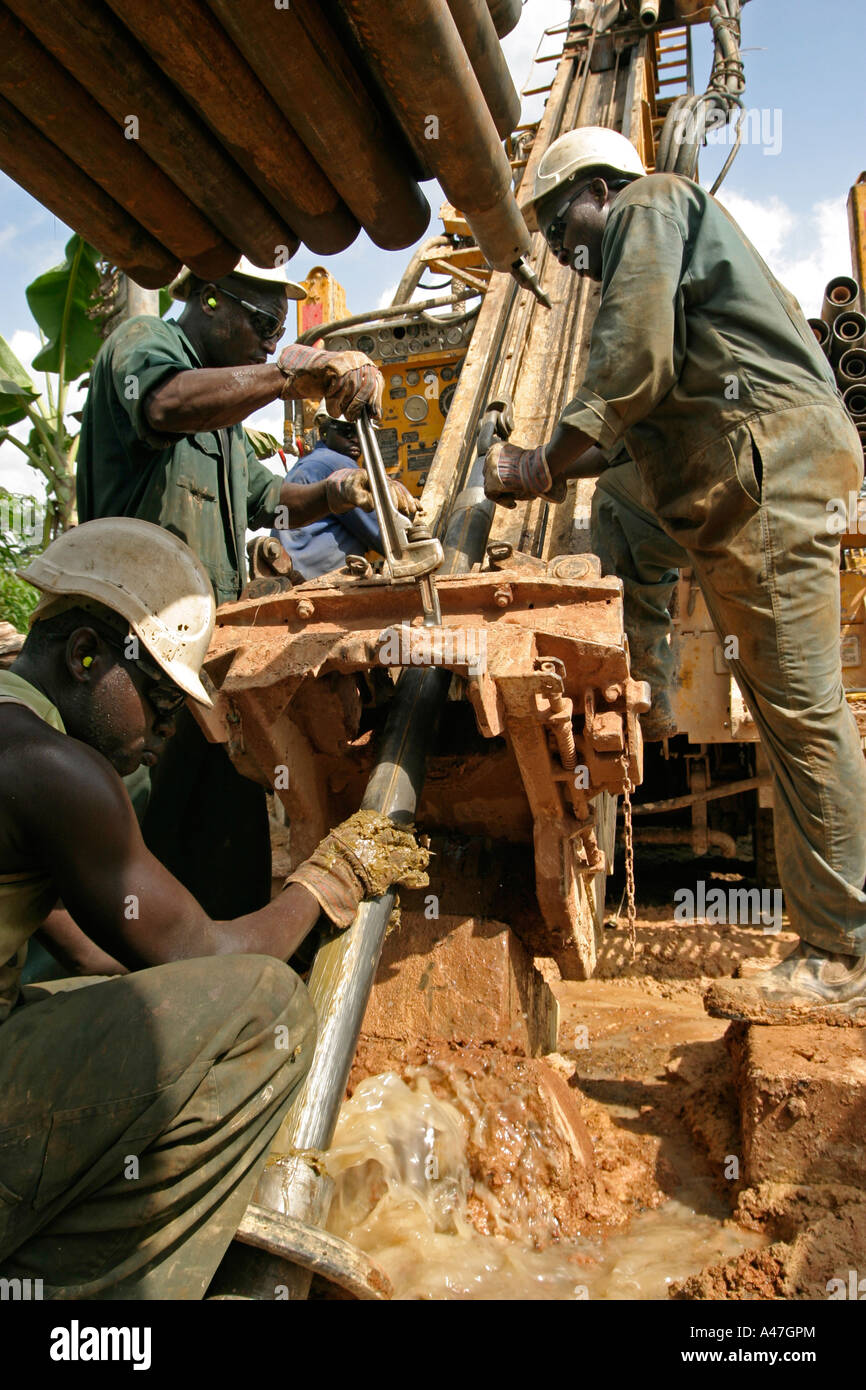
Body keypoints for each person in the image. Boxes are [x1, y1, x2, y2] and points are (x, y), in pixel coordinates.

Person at [484, 126, 866, 1026]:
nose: (564, 252)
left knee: (800, 710)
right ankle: (642, 675)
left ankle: (844, 953)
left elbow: (632, 361)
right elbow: (624, 435)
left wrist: (537, 460)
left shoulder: (651, 202)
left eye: (558, 221)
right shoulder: (653, 231)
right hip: (727, 468)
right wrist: (549, 463)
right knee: (622, 497)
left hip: (764, 464)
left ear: (598, 186)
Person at [0, 517, 428, 1299]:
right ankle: (88, 1300)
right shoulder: (53, 771)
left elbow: (96, 950)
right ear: (87, 656)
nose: (165, 735)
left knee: (150, 1009)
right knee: (264, 1008)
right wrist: (327, 881)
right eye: (161, 702)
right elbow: (208, 956)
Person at [76, 258, 410, 918]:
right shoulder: (148, 346)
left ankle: (221, 968)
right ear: (205, 299)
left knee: (229, 842)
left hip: (210, 669)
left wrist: (339, 490)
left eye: (278, 329)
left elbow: (271, 501)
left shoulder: (227, 419)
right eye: (261, 323)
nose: (268, 339)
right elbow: (165, 404)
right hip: (135, 658)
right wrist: (289, 375)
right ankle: (92, 992)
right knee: (132, 838)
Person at [272, 402, 420, 579]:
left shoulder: (309, 463)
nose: (356, 439)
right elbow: (389, 539)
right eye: (347, 431)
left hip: (293, 575)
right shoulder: (337, 466)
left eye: (360, 432)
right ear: (324, 432)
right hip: (319, 582)